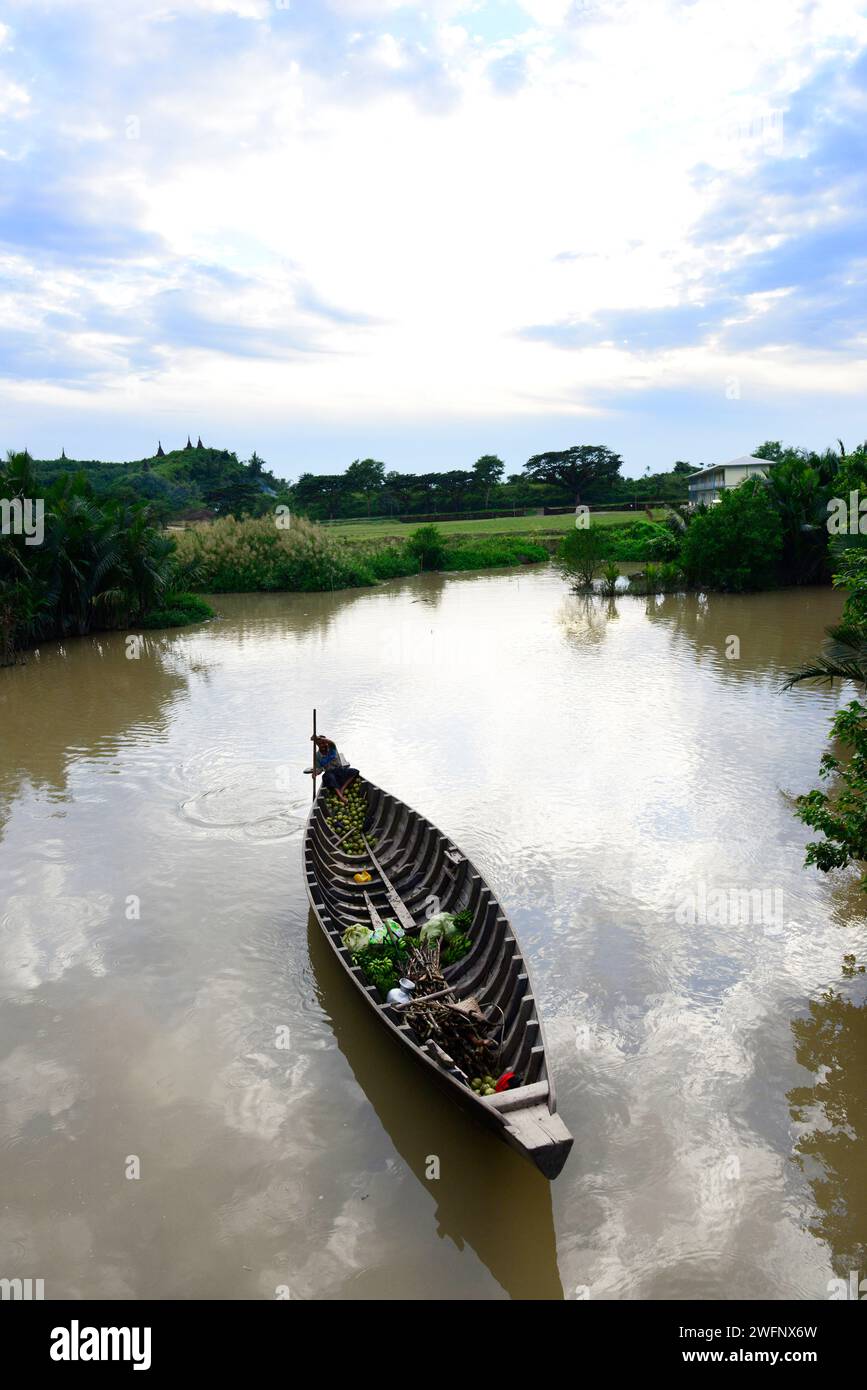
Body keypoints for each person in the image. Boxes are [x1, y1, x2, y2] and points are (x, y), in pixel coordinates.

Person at [306, 735, 360, 803]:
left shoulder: (332, 748)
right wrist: (315, 773)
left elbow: (332, 742)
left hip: (340, 770)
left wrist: (319, 738)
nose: (322, 745)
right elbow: (320, 769)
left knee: (354, 771)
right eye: (320, 743)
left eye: (324, 743)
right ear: (317, 744)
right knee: (330, 777)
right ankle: (340, 796)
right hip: (329, 773)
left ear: (327, 742)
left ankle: (342, 789)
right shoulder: (317, 756)